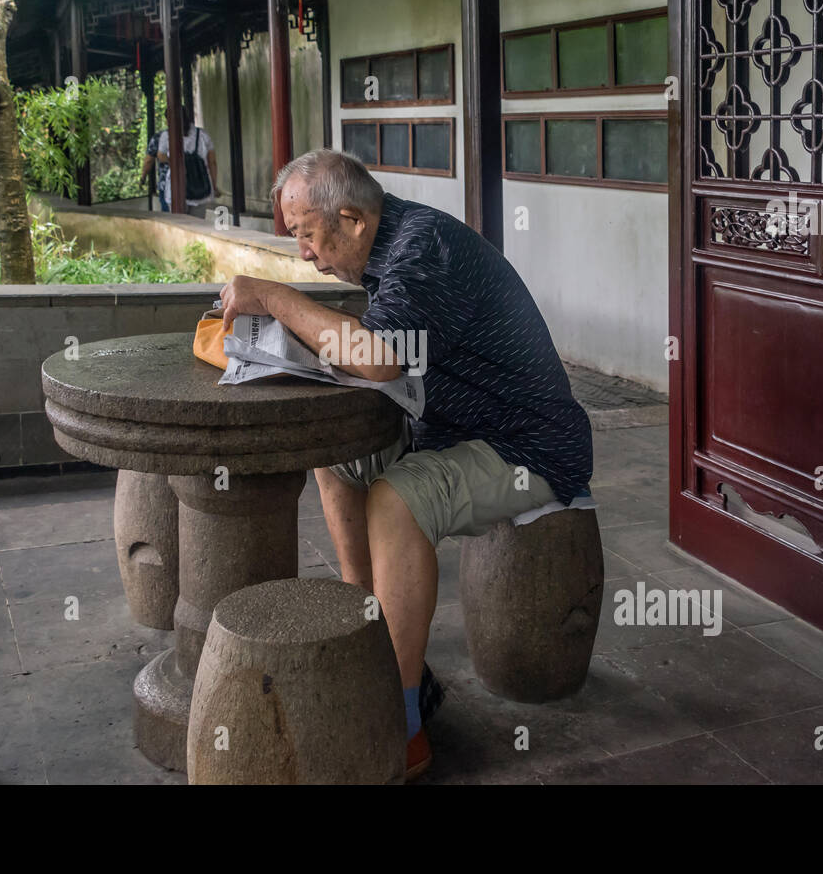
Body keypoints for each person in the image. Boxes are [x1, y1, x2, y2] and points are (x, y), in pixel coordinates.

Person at [218, 149, 594, 781]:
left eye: (308, 236)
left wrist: (279, 300)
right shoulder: (393, 242)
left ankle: (401, 717)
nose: (306, 254)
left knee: (398, 497)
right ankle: (370, 634)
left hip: (528, 444)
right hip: (455, 428)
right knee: (337, 455)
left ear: (353, 220)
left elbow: (379, 357)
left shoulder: (422, 249)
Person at [142, 105, 220, 212]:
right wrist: (214, 186)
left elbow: (160, 156)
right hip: (200, 187)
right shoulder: (202, 135)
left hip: (175, 189)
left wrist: (175, 164)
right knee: (198, 225)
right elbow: (212, 162)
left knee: (177, 223)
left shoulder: (165, 136)